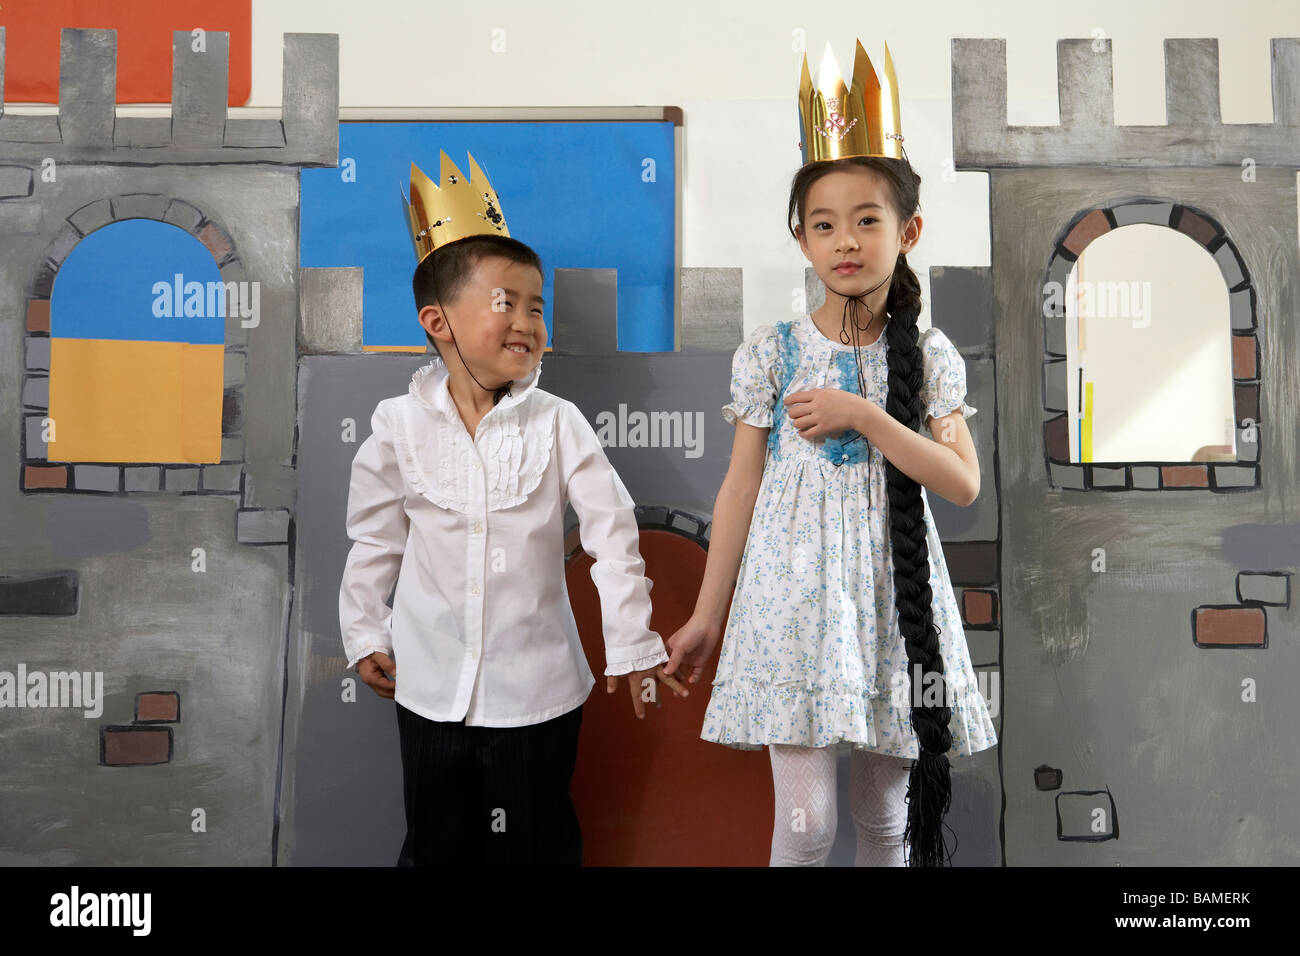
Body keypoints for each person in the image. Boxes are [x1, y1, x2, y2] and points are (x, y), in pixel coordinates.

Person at [665, 40, 997, 867]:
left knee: (883, 820)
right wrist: (708, 614)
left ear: (908, 230)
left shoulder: (932, 356)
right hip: (792, 608)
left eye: (867, 219)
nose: (844, 239)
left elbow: (960, 483)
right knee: (807, 827)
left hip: (892, 606)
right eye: (823, 224)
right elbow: (740, 488)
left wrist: (868, 416)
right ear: (802, 239)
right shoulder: (771, 354)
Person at [339, 152, 687, 866]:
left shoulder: (558, 424)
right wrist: (364, 631)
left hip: (536, 696)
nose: (527, 320)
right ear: (437, 320)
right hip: (429, 690)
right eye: (506, 303)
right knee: (437, 846)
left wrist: (629, 643)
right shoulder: (396, 426)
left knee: (535, 845)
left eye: (537, 306)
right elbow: (374, 540)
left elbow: (613, 537)